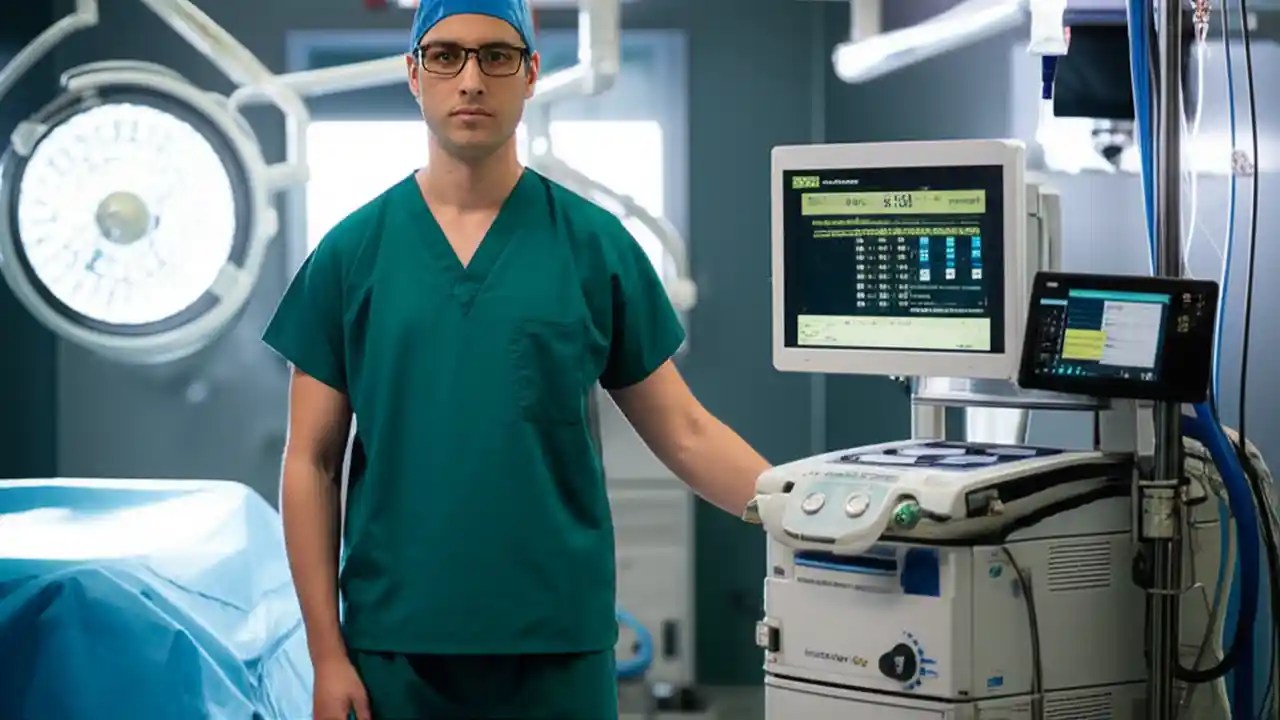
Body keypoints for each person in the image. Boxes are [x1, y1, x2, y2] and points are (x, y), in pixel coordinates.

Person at [262, 1, 771, 717]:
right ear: (414, 73)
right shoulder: (350, 255)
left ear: (531, 74)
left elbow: (685, 432)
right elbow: (309, 462)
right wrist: (326, 654)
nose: (471, 78)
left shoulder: (595, 246)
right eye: (446, 55)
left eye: (496, 56)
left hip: (556, 646)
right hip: (396, 650)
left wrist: (802, 516)